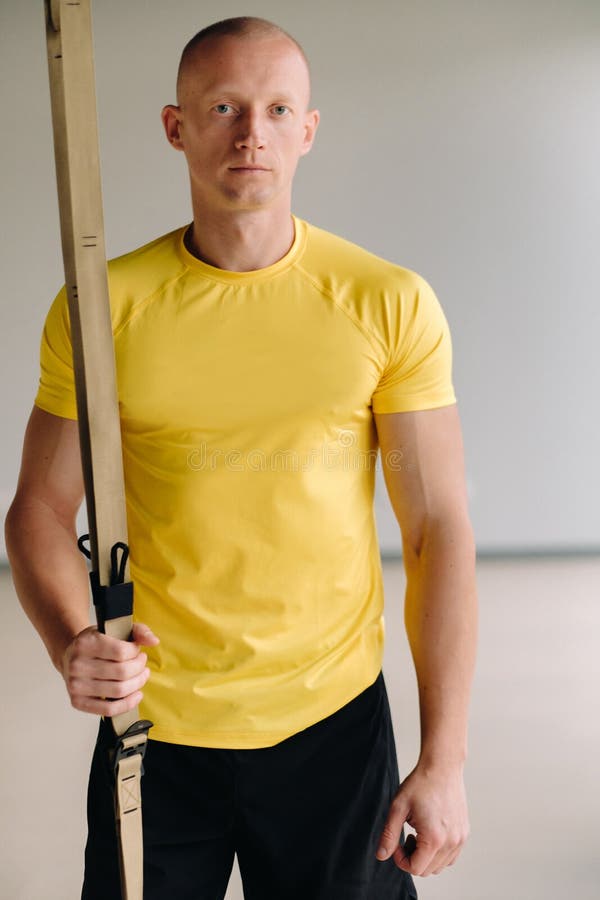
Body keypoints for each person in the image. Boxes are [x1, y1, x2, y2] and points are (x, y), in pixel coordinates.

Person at [5, 15, 478, 900]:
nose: (250, 133)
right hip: (154, 731)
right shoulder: (104, 309)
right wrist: (72, 637)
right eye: (223, 106)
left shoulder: (387, 303)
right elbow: (38, 508)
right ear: (176, 125)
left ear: (308, 129)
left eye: (275, 108)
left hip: (331, 726)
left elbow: (436, 529)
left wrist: (443, 758)